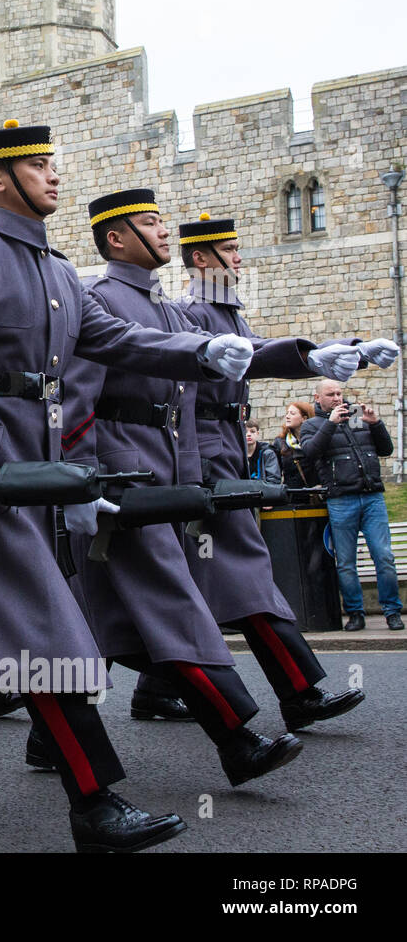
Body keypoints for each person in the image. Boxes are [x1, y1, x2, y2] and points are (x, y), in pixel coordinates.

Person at [0, 120, 259, 852]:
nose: (55, 176)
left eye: (54, 165)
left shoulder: (55, 271)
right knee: (44, 632)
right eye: (39, 166)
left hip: (37, 474)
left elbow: (118, 340)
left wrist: (204, 349)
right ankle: (94, 801)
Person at [46, 187, 306, 789]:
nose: (167, 234)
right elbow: (77, 400)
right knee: (170, 602)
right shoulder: (101, 299)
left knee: (106, 615)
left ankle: (46, 732)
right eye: (151, 224)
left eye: (164, 223)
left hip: (161, 470)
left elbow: (212, 372)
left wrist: (311, 355)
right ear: (116, 238)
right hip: (121, 474)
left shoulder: (166, 307)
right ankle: (237, 739)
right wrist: (84, 479)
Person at [177, 214, 397, 728]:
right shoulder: (193, 312)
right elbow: (249, 361)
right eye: (228, 250)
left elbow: (264, 352)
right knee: (244, 567)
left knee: (180, 573)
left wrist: (351, 354)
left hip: (226, 442)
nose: (239, 257)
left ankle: (148, 688)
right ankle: (298, 692)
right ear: (200, 259)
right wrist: (318, 359)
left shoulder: (226, 312)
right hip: (206, 448)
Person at [301, 379, 403, 631]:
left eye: (339, 393)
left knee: (385, 557)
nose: (337, 398)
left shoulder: (357, 416)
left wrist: (376, 423)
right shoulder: (312, 425)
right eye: (331, 394)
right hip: (340, 499)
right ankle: (355, 613)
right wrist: (330, 423)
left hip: (372, 497)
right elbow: (311, 453)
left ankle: (392, 611)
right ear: (318, 399)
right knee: (346, 562)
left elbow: (386, 449)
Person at [273, 401, 317, 489]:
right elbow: (275, 473)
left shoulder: (316, 440)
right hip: (292, 495)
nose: (287, 416)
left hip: (316, 494)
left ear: (304, 418)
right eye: (287, 413)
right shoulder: (280, 442)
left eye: (292, 413)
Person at [245, 419, 281, 484]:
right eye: (245, 432)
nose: (248, 434)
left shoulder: (267, 453)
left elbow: (273, 480)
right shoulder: (237, 453)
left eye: (252, 431)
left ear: (257, 433)